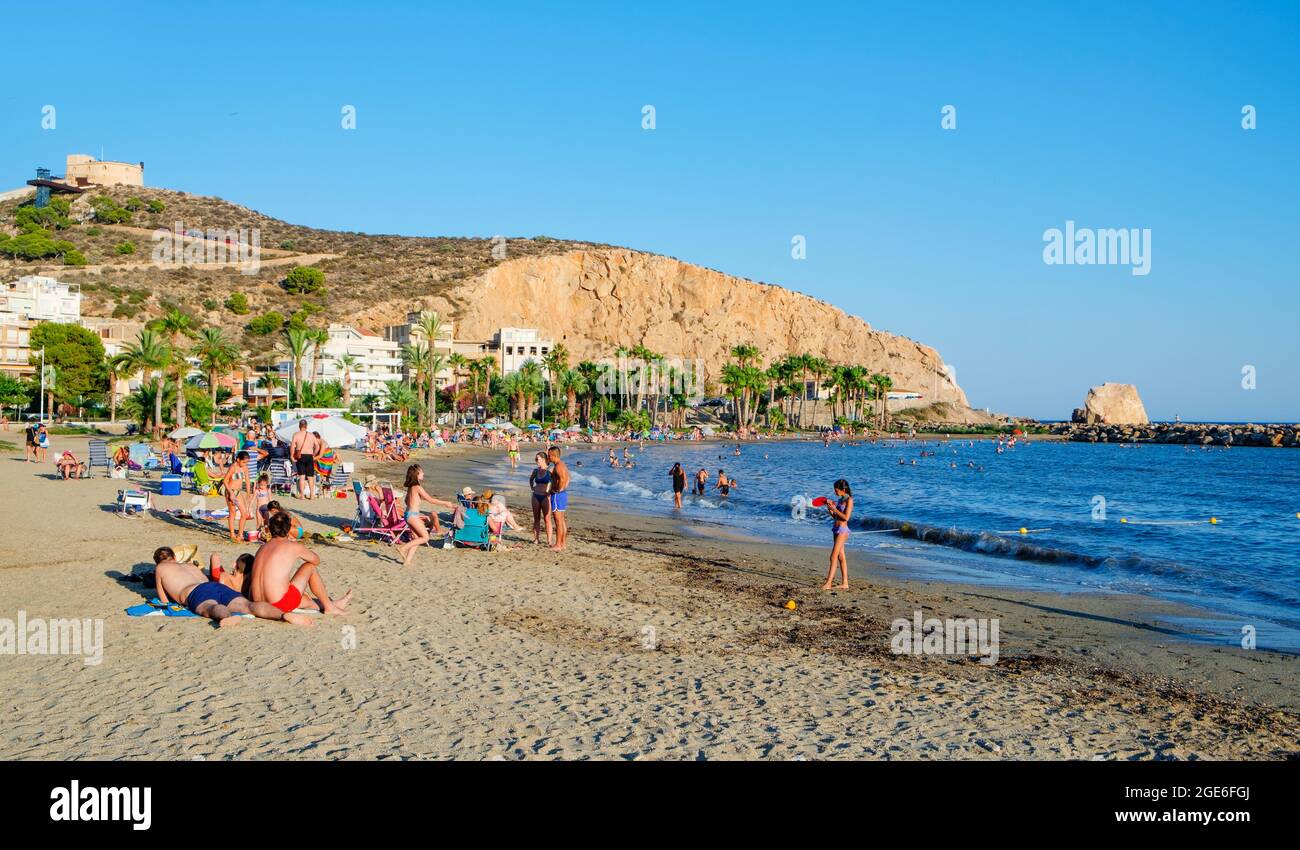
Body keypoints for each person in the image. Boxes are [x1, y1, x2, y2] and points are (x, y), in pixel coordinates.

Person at [153, 546, 312, 627]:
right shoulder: (189, 565)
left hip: (196, 592)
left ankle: (227, 617)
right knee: (249, 605)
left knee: (211, 606)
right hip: (213, 586)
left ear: (158, 561)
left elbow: (163, 599)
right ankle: (283, 615)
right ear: (174, 557)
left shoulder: (160, 568)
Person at [251, 511, 351, 615]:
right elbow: (316, 560)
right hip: (279, 605)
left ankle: (333, 604)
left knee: (304, 599)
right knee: (309, 567)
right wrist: (298, 549)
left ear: (270, 529)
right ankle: (329, 607)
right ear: (289, 529)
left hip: (257, 604)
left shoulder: (262, 548)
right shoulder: (292, 546)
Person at [396, 464, 454, 566]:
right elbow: (430, 500)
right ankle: (403, 548)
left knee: (417, 538)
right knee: (425, 537)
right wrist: (445, 503)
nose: (423, 473)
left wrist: (414, 505)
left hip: (409, 515)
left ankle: (407, 561)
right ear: (417, 474)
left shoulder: (411, 487)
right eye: (421, 472)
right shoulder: (417, 487)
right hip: (412, 515)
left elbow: (406, 501)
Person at [822, 479, 853, 590]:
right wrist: (830, 509)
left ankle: (828, 583)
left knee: (833, 557)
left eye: (836, 490)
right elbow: (836, 517)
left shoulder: (849, 500)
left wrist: (834, 509)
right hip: (836, 528)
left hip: (843, 530)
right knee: (840, 557)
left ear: (842, 489)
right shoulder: (840, 500)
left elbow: (846, 518)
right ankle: (845, 583)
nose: (835, 492)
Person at [222, 451, 254, 542]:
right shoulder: (233, 467)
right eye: (243, 462)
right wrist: (230, 493)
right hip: (230, 492)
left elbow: (247, 480)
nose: (245, 464)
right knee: (233, 513)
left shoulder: (245, 468)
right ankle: (232, 534)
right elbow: (225, 481)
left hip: (238, 492)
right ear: (238, 459)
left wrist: (248, 493)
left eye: (247, 462)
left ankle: (240, 534)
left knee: (244, 513)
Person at [546, 445, 570, 551]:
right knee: (562, 520)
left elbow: (564, 479)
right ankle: (563, 544)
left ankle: (558, 544)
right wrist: (562, 488)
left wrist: (557, 489)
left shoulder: (558, 466)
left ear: (552, 455)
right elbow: (568, 478)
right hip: (562, 494)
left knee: (558, 521)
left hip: (558, 495)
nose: (548, 457)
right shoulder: (562, 465)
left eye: (548, 455)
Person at [528, 452, 554, 546]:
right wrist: (532, 487)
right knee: (536, 519)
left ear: (543, 459)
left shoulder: (550, 470)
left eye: (537, 459)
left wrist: (549, 491)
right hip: (536, 495)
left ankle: (549, 541)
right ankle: (536, 539)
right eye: (536, 459)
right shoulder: (536, 470)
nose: (536, 461)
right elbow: (531, 479)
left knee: (547, 519)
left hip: (545, 497)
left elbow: (553, 482)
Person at [289, 418, 318, 500]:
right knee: (310, 477)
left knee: (302, 476)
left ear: (299, 426)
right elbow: (317, 446)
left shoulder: (296, 435)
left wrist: (291, 456)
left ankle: (302, 495)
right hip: (309, 456)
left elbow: (292, 446)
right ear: (306, 426)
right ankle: (312, 495)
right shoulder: (311, 435)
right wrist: (314, 454)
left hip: (300, 456)